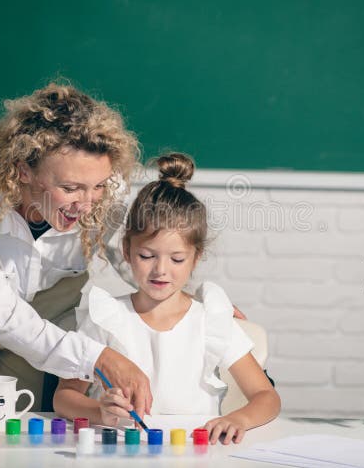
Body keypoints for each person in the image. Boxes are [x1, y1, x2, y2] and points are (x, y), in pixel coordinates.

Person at [0, 82, 152, 414]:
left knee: (24, 429)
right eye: (70, 188)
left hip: (45, 317)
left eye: (98, 187)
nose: (88, 203)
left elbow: (137, 254)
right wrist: (96, 357)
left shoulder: (104, 185)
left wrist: (190, 297)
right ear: (23, 171)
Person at [53, 153, 280, 444]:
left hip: (195, 456)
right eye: (147, 256)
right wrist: (99, 411)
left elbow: (266, 396)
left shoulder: (210, 319)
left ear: (195, 258)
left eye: (176, 258)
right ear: (127, 251)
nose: (161, 270)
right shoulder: (105, 317)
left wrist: (239, 418)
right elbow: (64, 397)